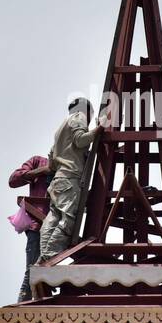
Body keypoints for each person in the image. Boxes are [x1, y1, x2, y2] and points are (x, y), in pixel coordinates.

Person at [35, 96, 111, 266]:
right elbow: (80, 139)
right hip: (70, 178)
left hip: (58, 180)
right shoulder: (78, 117)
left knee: (53, 218)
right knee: (68, 220)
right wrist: (99, 129)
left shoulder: (59, 130)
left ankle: (43, 257)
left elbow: (51, 163)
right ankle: (49, 258)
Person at [8, 154, 51, 302]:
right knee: (33, 269)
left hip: (60, 229)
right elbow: (13, 180)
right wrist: (42, 170)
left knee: (44, 270)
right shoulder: (39, 161)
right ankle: (23, 303)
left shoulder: (74, 163)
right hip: (38, 226)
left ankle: (41, 300)